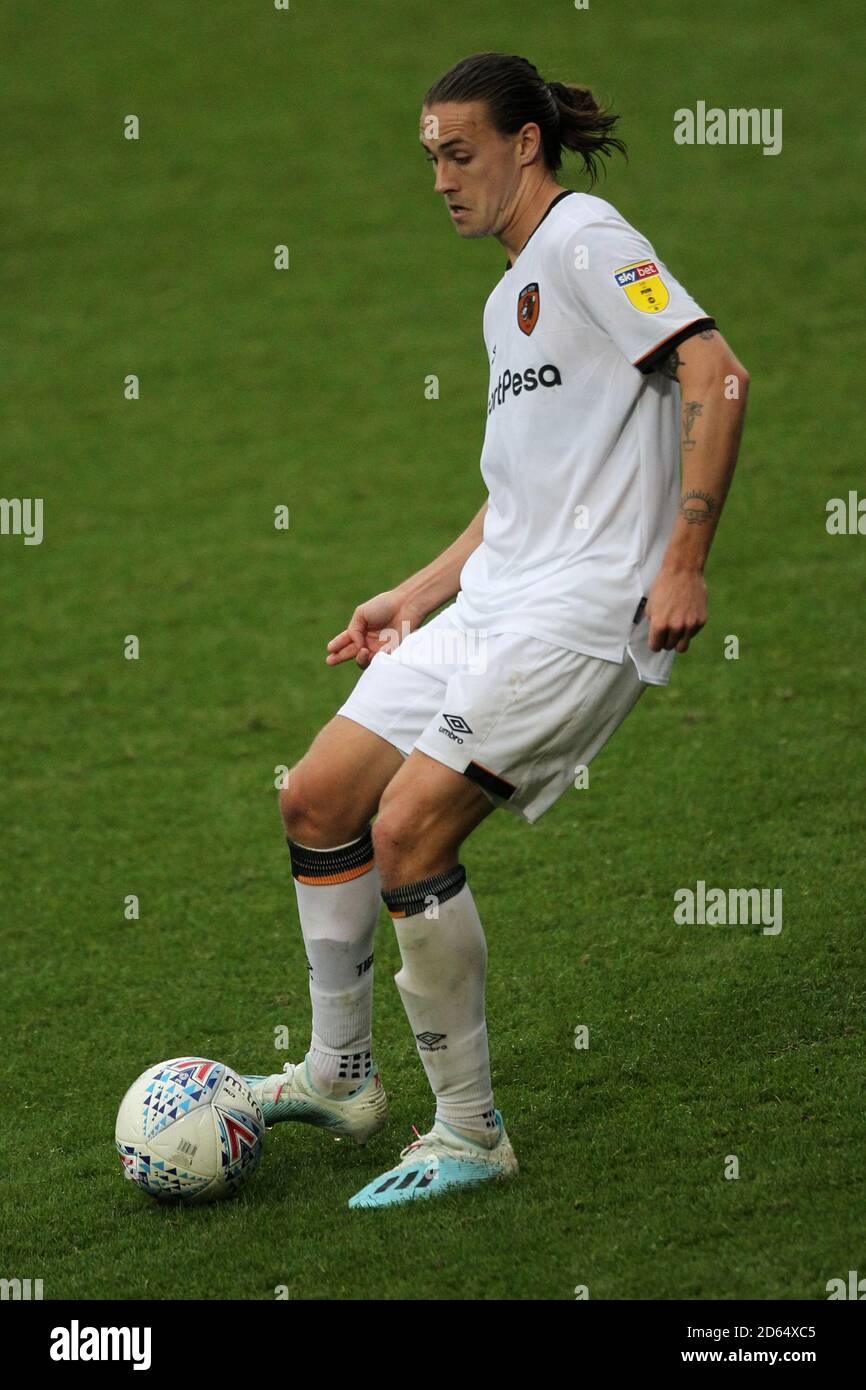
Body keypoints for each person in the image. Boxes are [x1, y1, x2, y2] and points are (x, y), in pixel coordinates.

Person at [244, 52, 749, 1209]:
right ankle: (340, 1076)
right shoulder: (504, 294)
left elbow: (714, 377)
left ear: (526, 143)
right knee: (319, 797)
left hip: (577, 613)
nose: (440, 177)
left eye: (458, 152)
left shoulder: (584, 240)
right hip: (493, 601)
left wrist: (683, 561)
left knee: (411, 829)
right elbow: (522, 491)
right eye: (429, 156)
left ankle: (470, 1131)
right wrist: (417, 587)